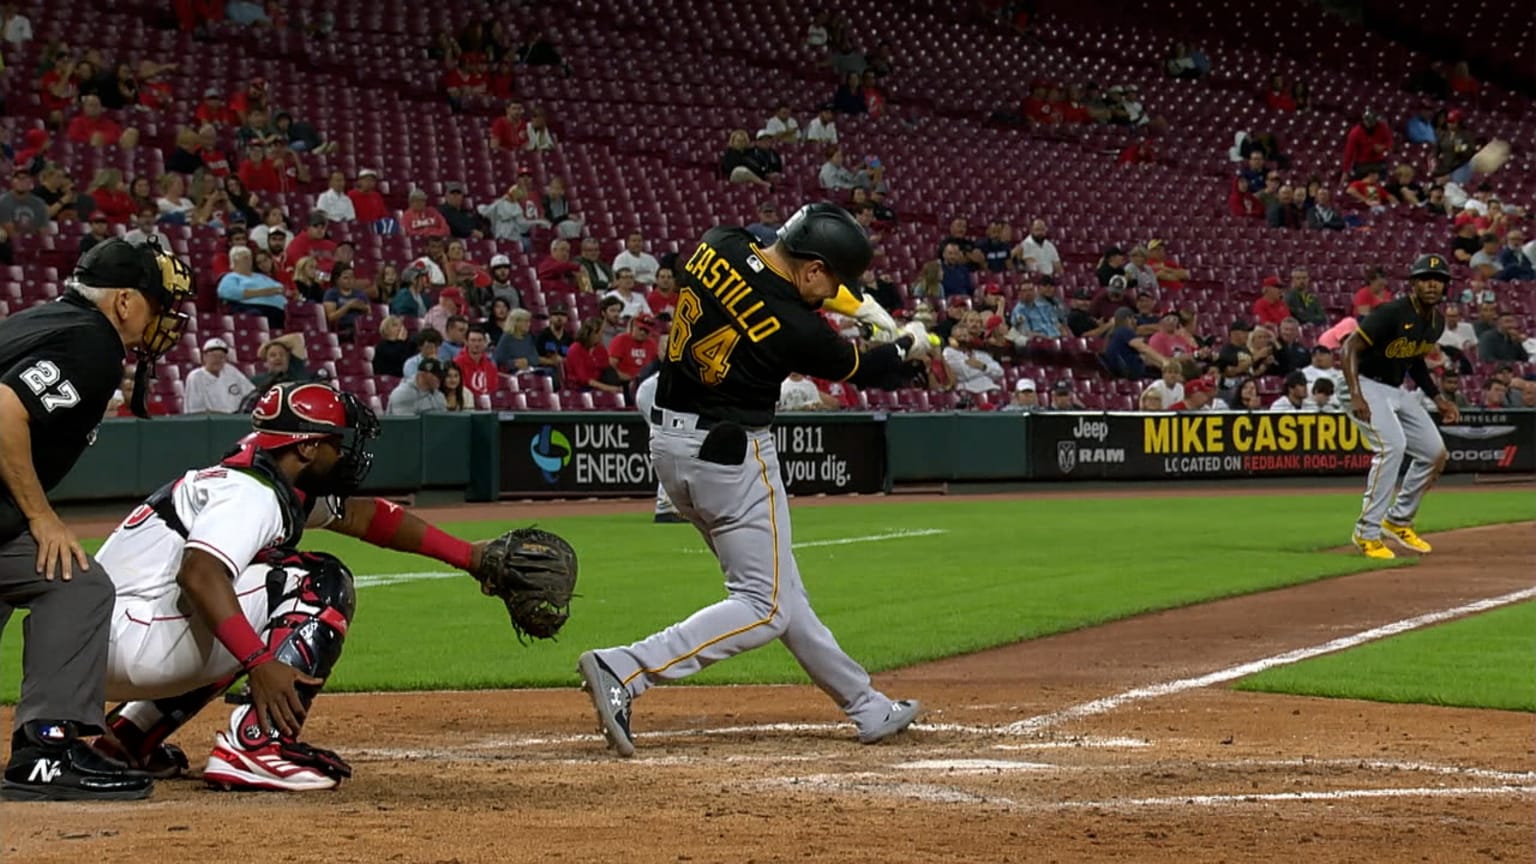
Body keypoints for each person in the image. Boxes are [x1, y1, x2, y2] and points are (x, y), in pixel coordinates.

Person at [577, 203, 923, 758]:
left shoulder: (718, 243)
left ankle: (865, 704)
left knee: (781, 591)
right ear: (813, 270)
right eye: (829, 279)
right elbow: (867, 367)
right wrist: (908, 345)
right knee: (764, 604)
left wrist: (859, 309)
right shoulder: (797, 328)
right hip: (732, 456)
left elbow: (776, 258)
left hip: (671, 445)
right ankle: (626, 667)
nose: (830, 290)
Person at [88, 384, 521, 790]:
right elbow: (199, 574)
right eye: (336, 440)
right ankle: (257, 745)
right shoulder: (248, 495)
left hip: (106, 647)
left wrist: (470, 558)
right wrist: (259, 661)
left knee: (241, 606)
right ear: (308, 446)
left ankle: (127, 736)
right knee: (317, 580)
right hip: (137, 644)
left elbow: (367, 517)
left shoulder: (262, 480)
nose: (345, 451)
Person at [0, 238, 193, 801]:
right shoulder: (93, 341)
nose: (165, 322)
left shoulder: (42, 321)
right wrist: (42, 516)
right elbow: (4, 410)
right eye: (160, 307)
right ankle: (47, 749)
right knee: (74, 584)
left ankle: (45, 747)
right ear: (127, 302)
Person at [1340, 254, 1456, 560]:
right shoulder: (1391, 312)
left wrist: (1439, 398)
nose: (1432, 285)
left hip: (1394, 388)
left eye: (1438, 280)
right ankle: (1366, 532)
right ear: (1413, 284)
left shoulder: (1436, 322)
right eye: (1425, 279)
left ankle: (1398, 519)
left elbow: (1414, 361)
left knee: (1434, 452)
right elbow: (1349, 346)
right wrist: (1355, 393)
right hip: (1363, 382)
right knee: (1392, 447)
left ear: (1445, 287)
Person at [184, 337, 254, 414]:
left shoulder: (230, 371)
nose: (217, 360)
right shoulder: (196, 377)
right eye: (213, 356)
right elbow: (195, 411)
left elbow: (251, 393)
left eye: (221, 357)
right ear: (204, 357)